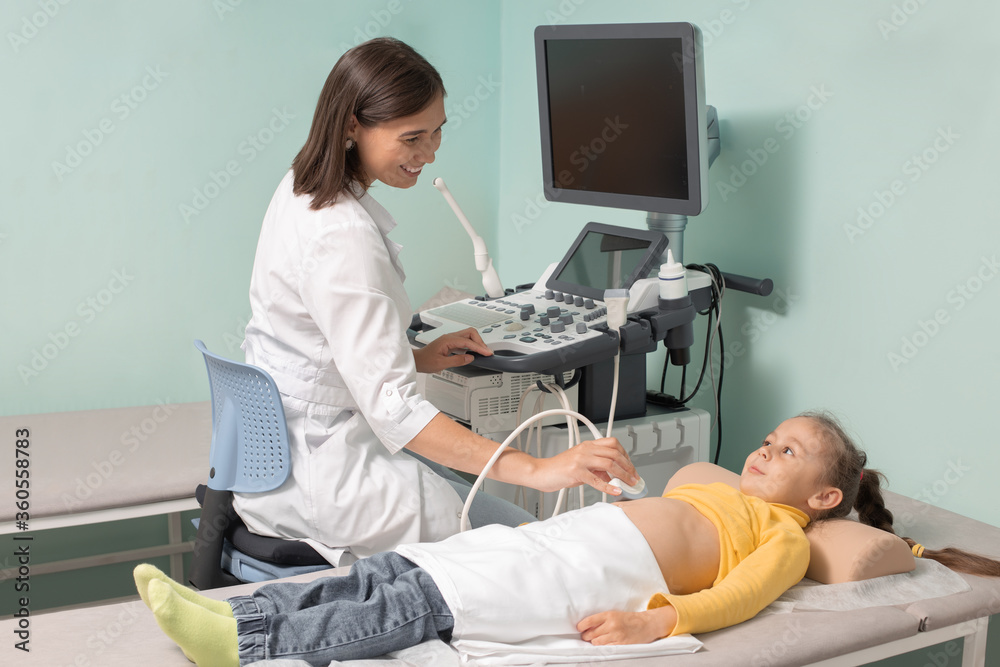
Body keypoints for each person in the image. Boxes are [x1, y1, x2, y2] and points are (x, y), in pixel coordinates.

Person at [134, 412, 1000, 665]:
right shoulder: (723, 486)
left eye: (789, 452)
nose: (764, 450)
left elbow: (738, 598)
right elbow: (690, 486)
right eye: (767, 438)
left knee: (421, 605)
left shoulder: (784, 535)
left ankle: (245, 640)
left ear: (823, 494)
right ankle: (258, 609)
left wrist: (657, 622)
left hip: (599, 573)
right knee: (404, 567)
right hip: (568, 539)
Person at [234, 36, 638, 565]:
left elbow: (314, 342)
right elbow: (394, 411)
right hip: (328, 478)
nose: (429, 153)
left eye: (438, 131)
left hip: (281, 457)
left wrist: (415, 357)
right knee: (539, 551)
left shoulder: (300, 188)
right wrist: (538, 469)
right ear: (352, 125)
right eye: (412, 138)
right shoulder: (343, 236)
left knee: (469, 492)